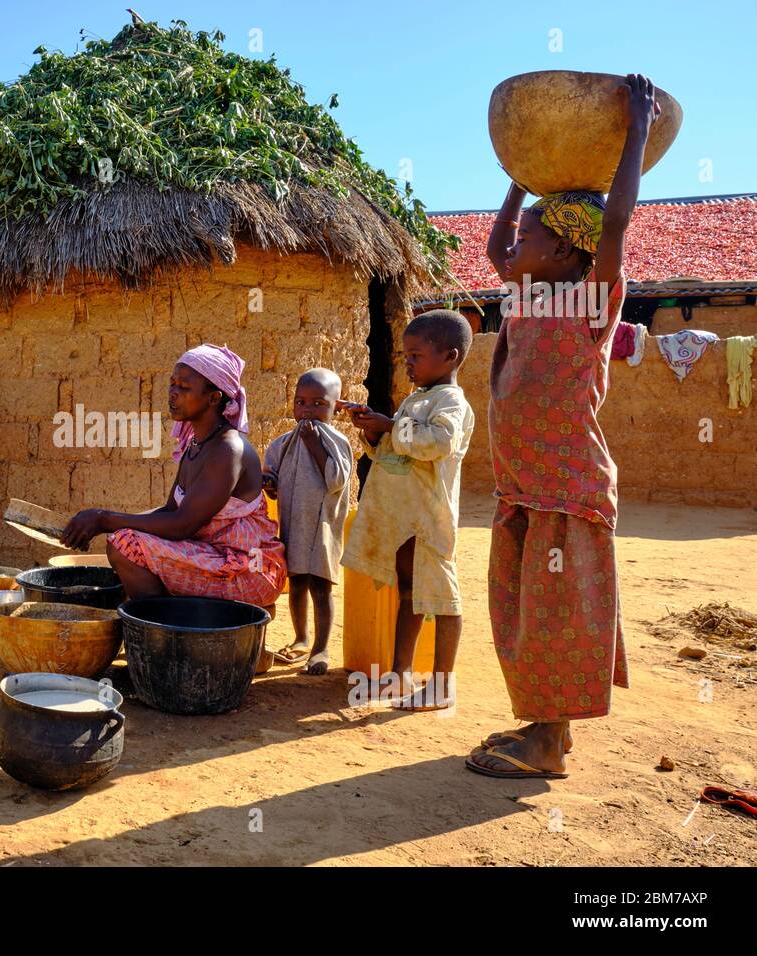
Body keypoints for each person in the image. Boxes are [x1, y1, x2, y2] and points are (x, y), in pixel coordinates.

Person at [467, 74, 661, 779]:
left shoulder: (588, 302)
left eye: (529, 238)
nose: (513, 248)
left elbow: (614, 225)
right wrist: (519, 183)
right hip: (525, 488)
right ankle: (547, 730)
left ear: (565, 252)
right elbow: (493, 248)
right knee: (524, 615)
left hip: (565, 489)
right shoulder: (525, 296)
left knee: (552, 619)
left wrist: (635, 134)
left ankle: (547, 745)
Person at [60, 344, 287, 605]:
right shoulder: (197, 444)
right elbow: (170, 510)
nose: (173, 393)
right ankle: (166, 623)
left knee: (125, 545)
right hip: (216, 557)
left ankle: (164, 632)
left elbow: (182, 525)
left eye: (184, 387)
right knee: (125, 540)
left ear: (214, 398)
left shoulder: (228, 449)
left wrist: (104, 519)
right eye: (172, 384)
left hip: (250, 570)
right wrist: (101, 522)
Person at [340, 310, 475, 711]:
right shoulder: (418, 399)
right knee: (411, 596)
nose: (408, 363)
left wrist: (390, 425)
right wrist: (373, 430)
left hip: (429, 521)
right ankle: (401, 674)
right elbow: (394, 452)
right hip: (405, 522)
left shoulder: (451, 401)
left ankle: (442, 685)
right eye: (406, 356)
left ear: (449, 357)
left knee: (443, 600)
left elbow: (438, 443)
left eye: (416, 355)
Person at [263, 369, 352, 675]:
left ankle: (321, 648)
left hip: (323, 528)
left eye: (318, 404)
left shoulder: (336, 442)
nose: (307, 410)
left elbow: (337, 480)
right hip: (293, 524)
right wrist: (269, 482)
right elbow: (272, 470)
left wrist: (315, 445)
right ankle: (301, 638)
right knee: (297, 583)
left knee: (321, 587)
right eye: (301, 402)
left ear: (335, 406)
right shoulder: (284, 442)